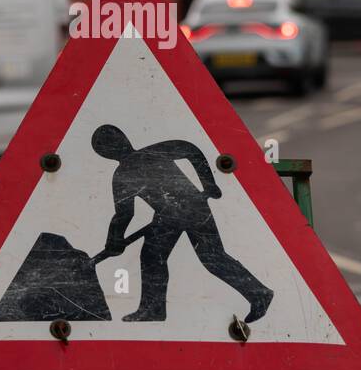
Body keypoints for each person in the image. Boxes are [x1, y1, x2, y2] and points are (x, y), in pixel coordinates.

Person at [91, 124, 273, 323]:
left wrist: (114, 241)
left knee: (200, 257)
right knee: (162, 257)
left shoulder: (128, 171)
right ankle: (154, 309)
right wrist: (113, 240)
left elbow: (124, 215)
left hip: (189, 208)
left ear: (105, 153)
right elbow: (124, 214)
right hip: (175, 212)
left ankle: (259, 293)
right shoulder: (138, 164)